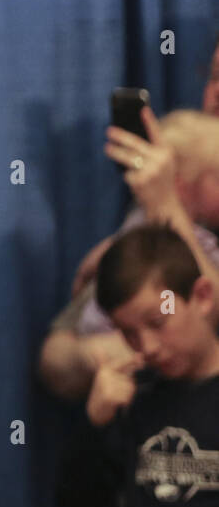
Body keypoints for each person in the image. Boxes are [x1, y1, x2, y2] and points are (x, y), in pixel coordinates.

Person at [39, 96, 219, 403]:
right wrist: (100, 351)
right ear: (183, 183)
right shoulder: (135, 241)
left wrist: (165, 206)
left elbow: (209, 312)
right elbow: (56, 358)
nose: (147, 345)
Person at [55, 225, 219, 507]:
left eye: (157, 322)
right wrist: (96, 424)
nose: (147, 347)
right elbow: (74, 506)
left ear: (202, 296)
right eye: (129, 333)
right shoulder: (134, 396)